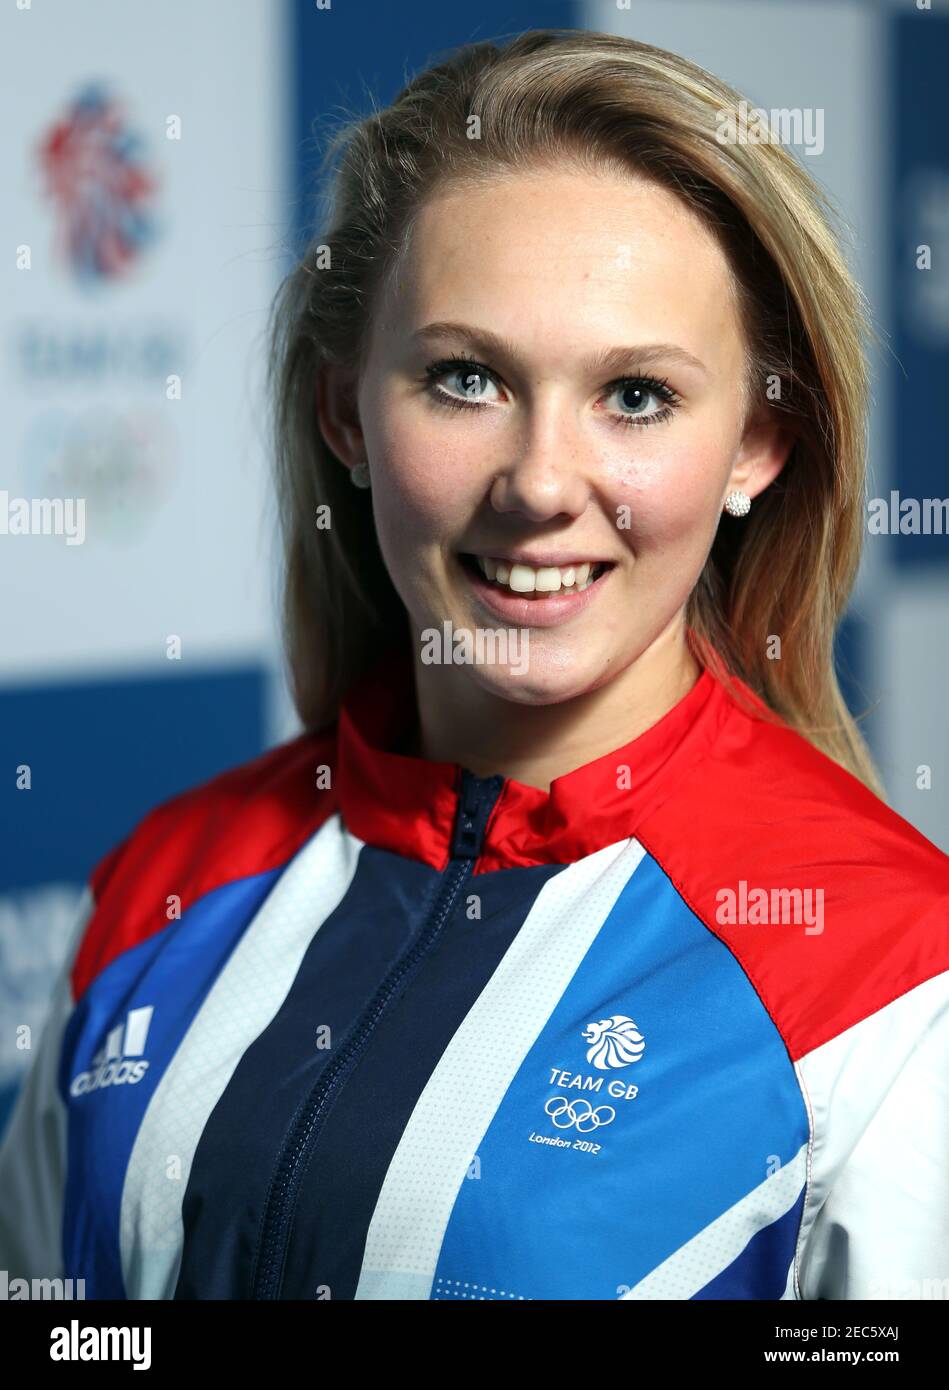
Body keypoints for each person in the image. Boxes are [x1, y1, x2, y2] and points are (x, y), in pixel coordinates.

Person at [1, 27, 947, 1303]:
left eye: (638, 396)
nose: (542, 484)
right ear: (345, 411)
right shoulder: (157, 891)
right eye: (465, 378)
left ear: (755, 446)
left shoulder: (892, 980)